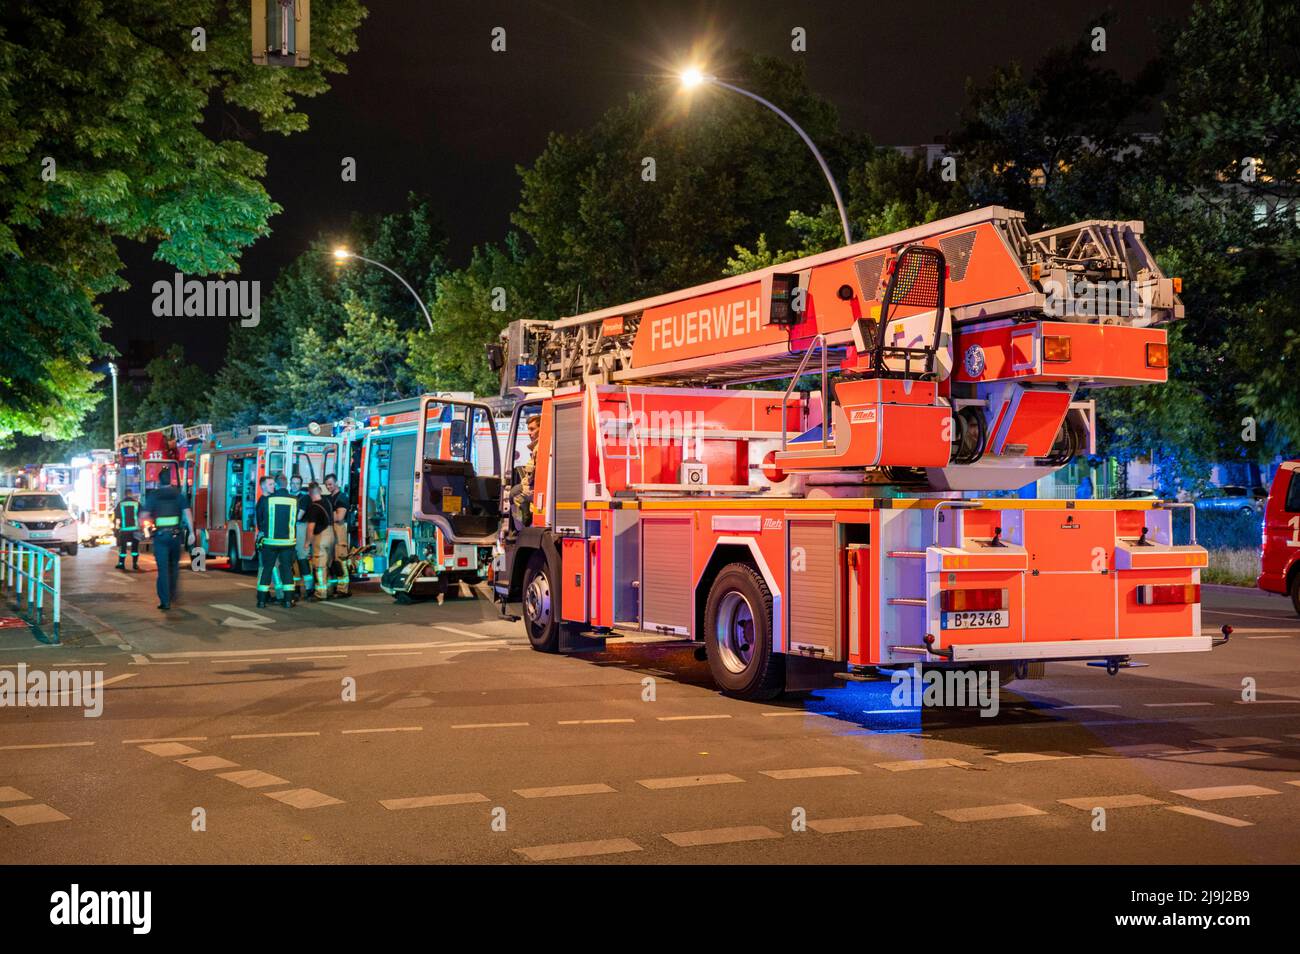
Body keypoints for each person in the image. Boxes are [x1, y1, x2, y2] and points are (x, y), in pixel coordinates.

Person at [140, 470, 193, 612]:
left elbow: (144, 516)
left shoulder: (154, 496)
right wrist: (192, 532)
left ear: (159, 481)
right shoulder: (178, 495)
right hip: (176, 537)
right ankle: (173, 594)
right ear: (171, 480)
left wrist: (146, 531)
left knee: (163, 570)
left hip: (161, 537)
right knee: (174, 567)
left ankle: (165, 601)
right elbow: (187, 513)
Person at [254, 475, 298, 609]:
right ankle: (288, 601)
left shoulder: (268, 500)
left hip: (270, 541)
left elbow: (261, 520)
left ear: (277, 485)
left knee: (267, 569)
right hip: (288, 542)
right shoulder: (294, 500)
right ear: (287, 485)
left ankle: (261, 601)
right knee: (286, 570)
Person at [303, 482, 335, 601]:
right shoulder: (327, 502)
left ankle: (321, 593)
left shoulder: (314, 507)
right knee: (328, 564)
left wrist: (307, 542)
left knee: (320, 565)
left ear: (310, 493)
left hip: (321, 537)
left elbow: (311, 527)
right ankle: (330, 589)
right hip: (332, 535)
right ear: (320, 491)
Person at [322, 474, 351, 597]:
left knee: (340, 560)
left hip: (338, 530)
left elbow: (340, 517)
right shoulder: (328, 498)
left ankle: (343, 589)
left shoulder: (342, 498)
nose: (328, 487)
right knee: (329, 561)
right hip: (329, 530)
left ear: (337, 483)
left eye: (330, 484)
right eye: (327, 485)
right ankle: (332, 588)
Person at [510, 414, 541, 528]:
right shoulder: (539, 446)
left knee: (514, 493)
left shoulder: (539, 448)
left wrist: (523, 485)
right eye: (528, 429)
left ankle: (522, 528)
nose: (529, 433)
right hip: (538, 490)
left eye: (532, 429)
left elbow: (531, 478)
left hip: (536, 492)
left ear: (542, 428)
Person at [289, 475, 312, 599]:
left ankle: (309, 589)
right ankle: (296, 588)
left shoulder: (304, 498)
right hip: (290, 530)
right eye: (292, 483)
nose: (294, 485)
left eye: (297, 483)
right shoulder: (288, 496)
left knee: (302, 559)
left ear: (301, 484)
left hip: (301, 528)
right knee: (293, 562)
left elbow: (298, 516)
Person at [113, 489, 141, 571]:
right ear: (131, 494)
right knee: (135, 548)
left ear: (125, 495)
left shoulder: (120, 504)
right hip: (135, 530)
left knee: (123, 548)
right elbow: (142, 516)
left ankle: (121, 564)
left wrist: (116, 530)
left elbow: (117, 518)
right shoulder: (137, 504)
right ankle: (135, 564)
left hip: (124, 530)